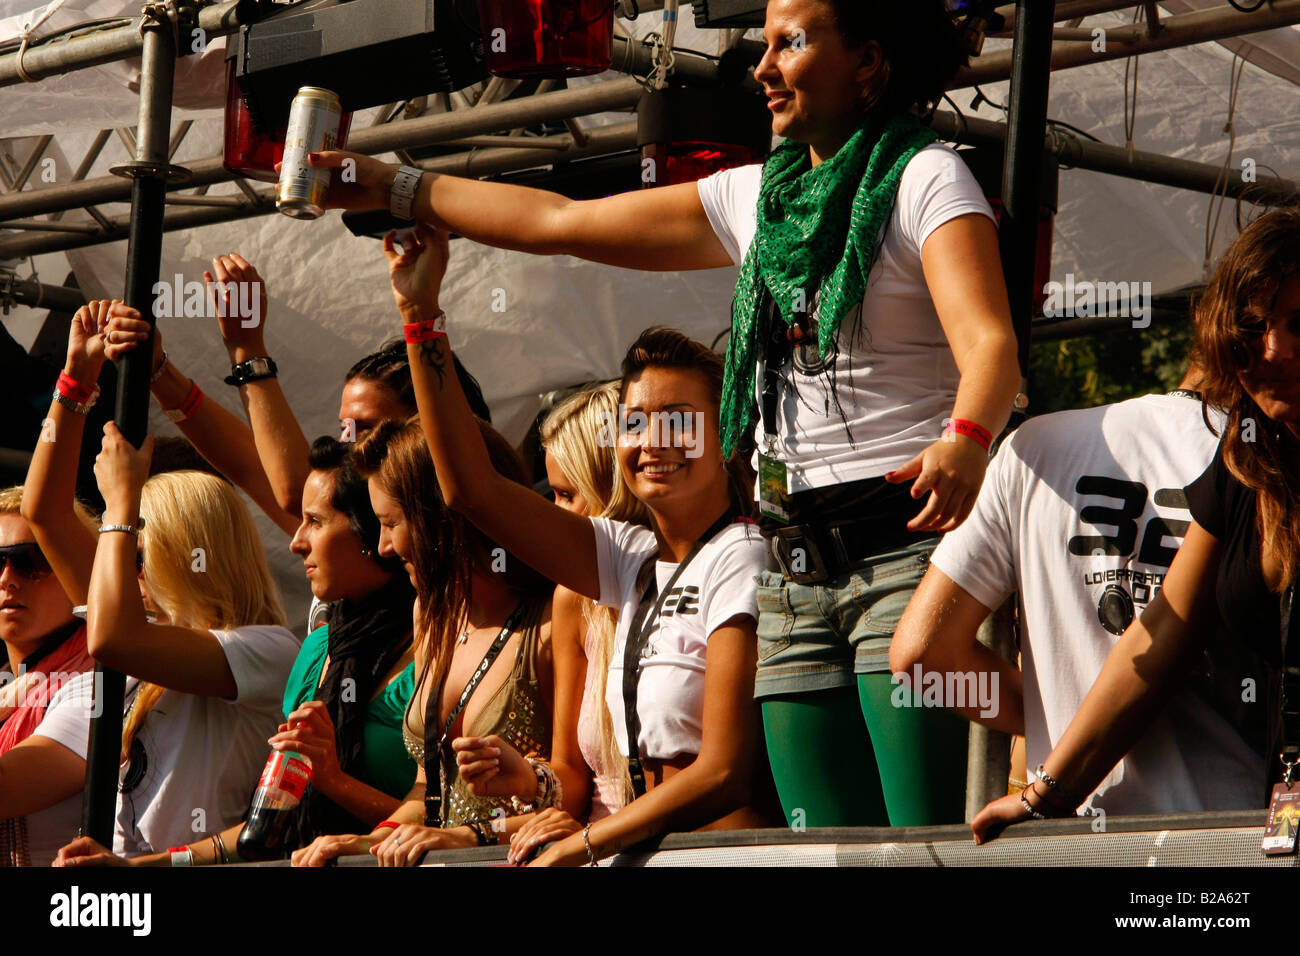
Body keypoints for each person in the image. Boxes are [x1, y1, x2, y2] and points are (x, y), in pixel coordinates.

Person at [303, 0, 1019, 827]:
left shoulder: (928, 175)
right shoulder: (757, 200)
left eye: (790, 42)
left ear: (866, 60)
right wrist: (398, 186)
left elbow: (991, 344)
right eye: (764, 42)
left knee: (918, 845)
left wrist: (965, 439)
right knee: (825, 851)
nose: (761, 67)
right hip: (794, 570)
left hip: (902, 551)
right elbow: (559, 222)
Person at [387, 223, 771, 865]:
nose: (653, 442)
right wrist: (421, 316)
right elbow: (473, 493)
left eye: (680, 420)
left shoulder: (743, 554)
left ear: (726, 436)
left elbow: (723, 772)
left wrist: (588, 841)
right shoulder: (632, 559)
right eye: (635, 421)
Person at [969, 206, 1300, 842]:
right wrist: (1046, 792)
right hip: (1268, 821)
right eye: (1252, 325)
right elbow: (1162, 633)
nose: (1274, 350)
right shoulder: (1246, 459)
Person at [890, 358, 1267, 818]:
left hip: (1064, 825)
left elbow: (922, 655)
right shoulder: (1263, 461)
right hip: (1228, 828)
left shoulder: (1033, 448)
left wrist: (1057, 717)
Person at [18, 298, 298, 860]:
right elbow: (44, 513)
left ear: (190, 553)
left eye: (134, 550)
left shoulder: (267, 648)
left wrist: (121, 502)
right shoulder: (139, 623)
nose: (119, 564)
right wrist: (77, 380)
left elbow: (114, 639)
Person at [56, 436, 419, 867]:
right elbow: (263, 828)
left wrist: (119, 505)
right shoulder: (321, 647)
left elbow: (444, 817)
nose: (295, 541)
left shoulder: (425, 643)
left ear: (369, 527)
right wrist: (134, 867)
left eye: (315, 521)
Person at [290, 416, 557, 866]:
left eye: (391, 523)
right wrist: (374, 840)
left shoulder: (551, 617)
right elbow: (428, 792)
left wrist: (469, 836)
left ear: (443, 516)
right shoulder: (431, 614)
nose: (384, 547)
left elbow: (581, 798)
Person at [456, 383, 651, 861]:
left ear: (613, 489)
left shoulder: (695, 577)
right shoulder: (572, 600)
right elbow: (572, 774)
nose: (553, 514)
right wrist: (527, 776)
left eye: (566, 495)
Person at [0, 488, 96, 866]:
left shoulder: (99, 679)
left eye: (31, 561)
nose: (7, 579)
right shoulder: (10, 684)